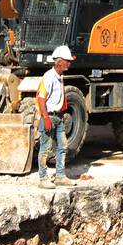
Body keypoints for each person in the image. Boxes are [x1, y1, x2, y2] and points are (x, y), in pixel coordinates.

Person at [36, 45, 75, 188]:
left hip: (58, 118)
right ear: (59, 62)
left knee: (62, 146)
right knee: (45, 148)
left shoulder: (59, 77)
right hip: (49, 117)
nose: (69, 63)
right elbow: (41, 99)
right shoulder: (49, 77)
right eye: (67, 61)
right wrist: (45, 118)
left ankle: (60, 176)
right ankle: (43, 178)